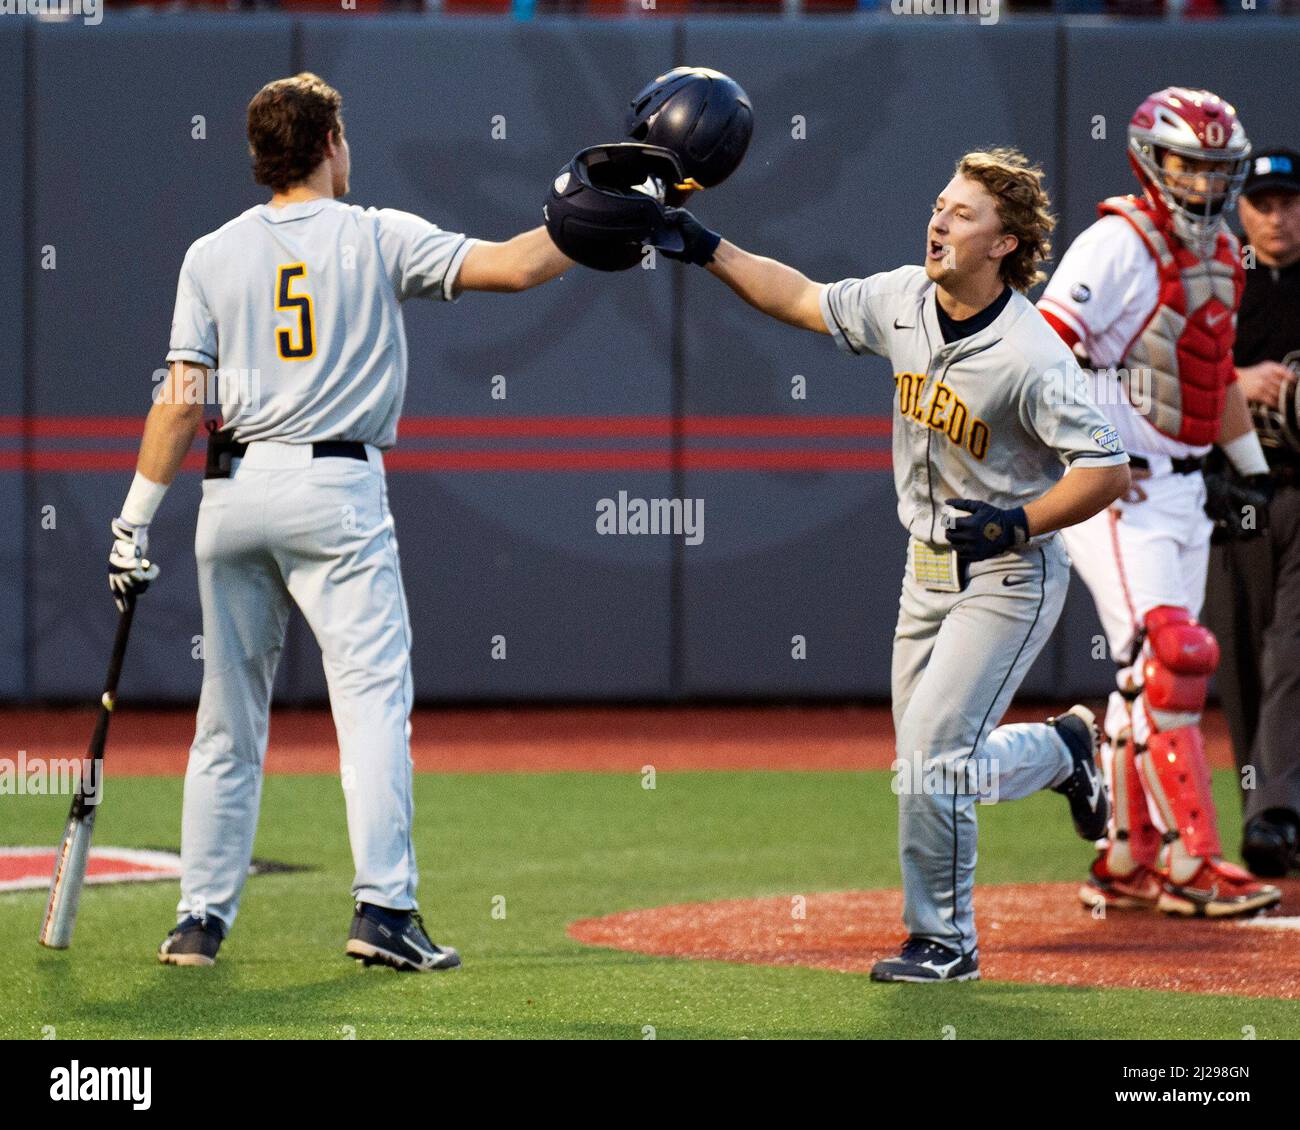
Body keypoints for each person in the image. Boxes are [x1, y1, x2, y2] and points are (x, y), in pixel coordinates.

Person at [107, 73, 573, 969]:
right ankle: (384, 911)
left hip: (231, 494)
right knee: (368, 708)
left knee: (225, 722)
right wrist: (597, 210)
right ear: (328, 145)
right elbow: (518, 266)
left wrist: (133, 520)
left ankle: (199, 921)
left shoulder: (210, 253)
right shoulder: (374, 234)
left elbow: (178, 403)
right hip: (335, 489)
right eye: (344, 134)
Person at [658, 147, 1130, 982]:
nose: (939, 220)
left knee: (936, 759)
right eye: (939, 204)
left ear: (1005, 245)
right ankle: (1064, 753)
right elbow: (801, 298)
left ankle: (944, 942)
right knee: (926, 765)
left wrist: (1017, 522)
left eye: (962, 214)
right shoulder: (903, 301)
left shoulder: (1031, 352)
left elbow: (1106, 470)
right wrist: (704, 244)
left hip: (1009, 578)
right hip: (927, 571)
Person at [1038, 87, 1281, 917]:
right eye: (1186, 161)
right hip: (1117, 487)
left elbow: (1213, 374)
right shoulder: (1115, 242)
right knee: (1173, 658)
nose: (1202, 179)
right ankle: (1191, 862)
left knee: (1147, 677)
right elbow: (1043, 357)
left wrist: (1248, 469)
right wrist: (1090, 453)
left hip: (1180, 487)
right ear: (1149, 157)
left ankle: (1123, 858)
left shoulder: (1220, 253)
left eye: (1215, 165)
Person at [1201, 149, 1300, 877]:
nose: (1278, 215)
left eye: (1290, 201)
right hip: (1226, 497)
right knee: (1238, 665)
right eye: (1264, 202)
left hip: (1299, 492)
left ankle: (1275, 813)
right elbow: (1162, 369)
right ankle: (1263, 820)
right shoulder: (1215, 282)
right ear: (1242, 211)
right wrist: (1239, 379)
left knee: (1290, 659)